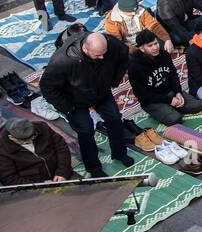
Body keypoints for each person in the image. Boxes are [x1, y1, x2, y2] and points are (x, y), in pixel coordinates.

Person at [39, 31, 132, 177]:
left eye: (104, 54)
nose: (102, 57)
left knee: (115, 119)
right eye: (97, 55)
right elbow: (47, 87)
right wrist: (67, 107)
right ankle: (93, 167)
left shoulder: (110, 44)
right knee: (86, 131)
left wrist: (114, 80)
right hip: (75, 100)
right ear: (85, 49)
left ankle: (120, 153)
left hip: (101, 90)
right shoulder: (63, 61)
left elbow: (124, 55)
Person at [128, 29, 202, 125]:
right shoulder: (134, 66)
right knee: (175, 119)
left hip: (169, 92)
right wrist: (169, 100)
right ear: (142, 49)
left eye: (155, 43)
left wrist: (178, 92)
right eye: (150, 46)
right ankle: (161, 110)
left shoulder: (164, 55)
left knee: (197, 106)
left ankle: (170, 108)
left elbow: (173, 75)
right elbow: (142, 94)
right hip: (152, 100)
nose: (155, 47)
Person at [0, 118, 75, 185]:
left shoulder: (42, 127)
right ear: (11, 137)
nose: (31, 141)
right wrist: (39, 185)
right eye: (25, 141)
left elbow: (61, 148)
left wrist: (62, 172)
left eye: (32, 137)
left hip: (63, 173)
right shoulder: (0, 152)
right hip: (34, 187)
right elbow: (9, 179)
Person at [102, 0, 172, 52]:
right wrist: (138, 51)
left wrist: (167, 39)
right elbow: (118, 43)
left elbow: (154, 25)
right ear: (122, 10)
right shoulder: (111, 21)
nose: (133, 13)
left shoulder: (140, 10)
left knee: (165, 44)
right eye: (130, 12)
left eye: (135, 11)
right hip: (128, 45)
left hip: (144, 38)